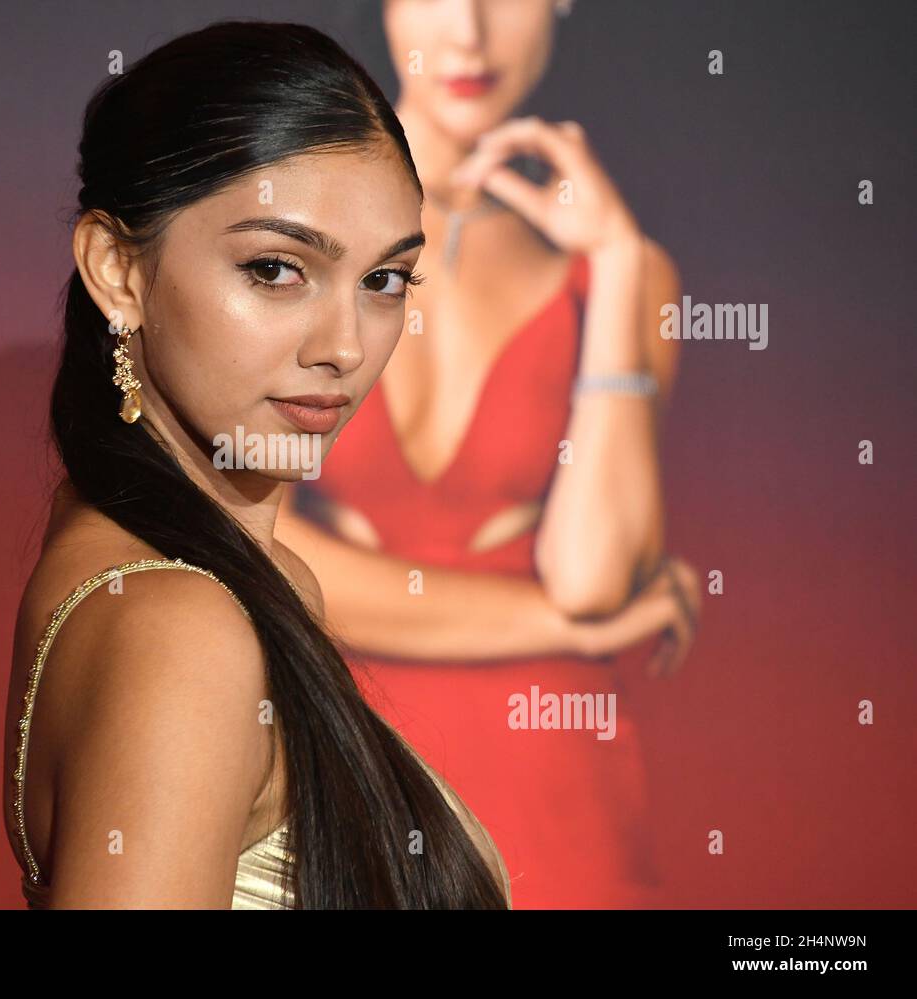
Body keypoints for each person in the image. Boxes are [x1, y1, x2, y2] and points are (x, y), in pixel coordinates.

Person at [1, 19, 513, 909]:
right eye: (277, 268)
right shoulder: (179, 627)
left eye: (385, 281)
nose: (345, 346)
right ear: (117, 270)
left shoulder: (244, 586)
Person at [275, 0, 702, 907]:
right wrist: (568, 627)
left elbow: (591, 575)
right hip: (339, 751)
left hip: (553, 785)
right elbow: (263, 551)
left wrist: (620, 259)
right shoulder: (283, 238)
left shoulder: (617, 274)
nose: (469, 33)